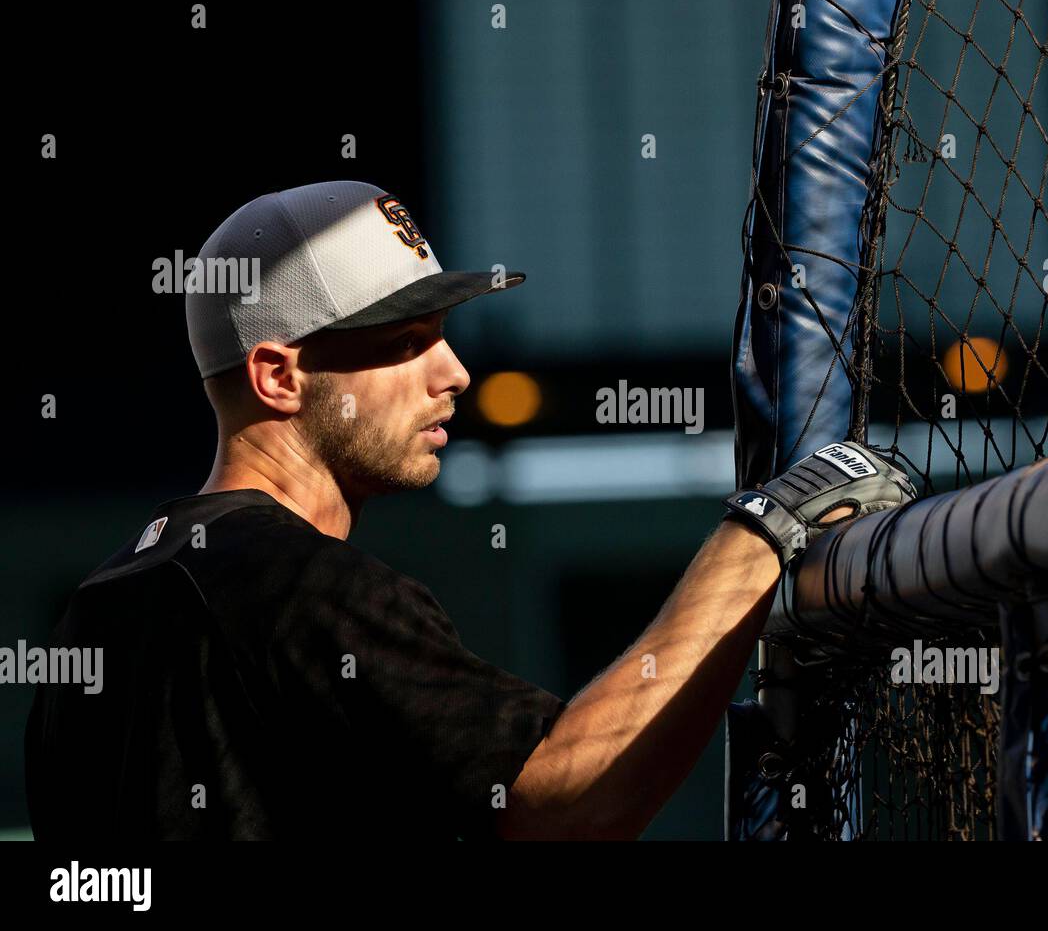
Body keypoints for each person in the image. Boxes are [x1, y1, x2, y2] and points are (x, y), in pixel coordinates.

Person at [25, 181, 913, 840]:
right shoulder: (299, 585)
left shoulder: (100, 605)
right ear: (278, 374)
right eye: (405, 342)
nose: (451, 373)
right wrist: (762, 534)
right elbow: (565, 795)